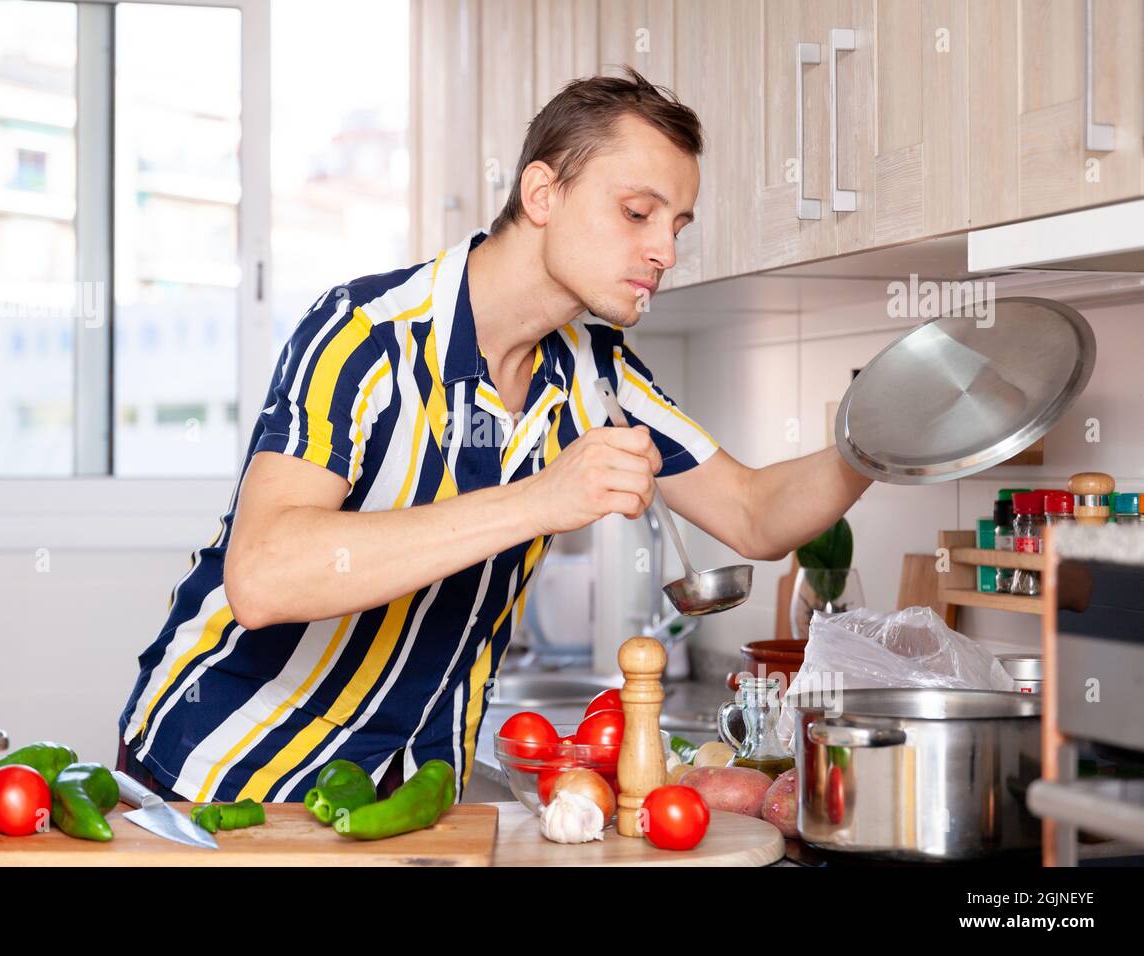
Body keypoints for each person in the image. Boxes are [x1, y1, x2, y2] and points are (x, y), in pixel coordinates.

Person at [116, 66, 871, 805]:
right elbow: (264, 575)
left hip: (401, 797)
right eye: (638, 213)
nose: (665, 252)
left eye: (676, 226)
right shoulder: (366, 335)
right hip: (215, 778)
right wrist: (542, 499)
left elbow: (753, 513)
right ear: (542, 194)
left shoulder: (597, 375)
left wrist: (877, 436)